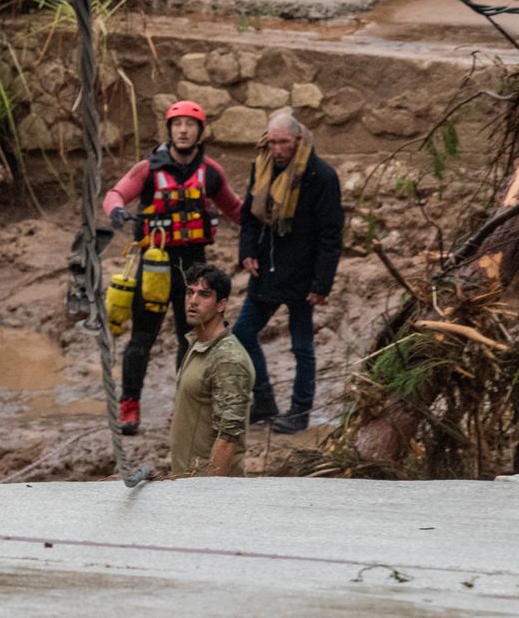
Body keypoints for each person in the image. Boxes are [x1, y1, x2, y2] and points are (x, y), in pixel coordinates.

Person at [101, 99, 245, 435]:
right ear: (169, 130)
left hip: (193, 269)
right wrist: (117, 211)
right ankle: (129, 407)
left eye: (189, 125)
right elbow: (115, 194)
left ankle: (183, 404)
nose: (183, 130)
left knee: (190, 338)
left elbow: (236, 210)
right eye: (177, 124)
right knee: (142, 338)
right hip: (154, 265)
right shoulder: (148, 169)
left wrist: (262, 234)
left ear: (199, 131)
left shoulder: (211, 172)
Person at [234, 112, 344, 434]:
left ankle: (300, 410)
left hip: (302, 273)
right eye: (272, 142)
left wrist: (322, 282)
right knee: (241, 334)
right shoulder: (261, 166)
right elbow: (249, 217)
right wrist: (247, 251)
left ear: (297, 140)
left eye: (283, 142)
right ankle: (264, 399)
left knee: (302, 346)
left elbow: (330, 234)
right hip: (266, 269)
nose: (277, 149)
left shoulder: (321, 175)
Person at [169, 266, 255, 476]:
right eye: (190, 292)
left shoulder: (228, 359)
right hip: (184, 484)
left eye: (204, 295)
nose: (193, 300)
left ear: (221, 304)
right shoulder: (197, 344)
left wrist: (209, 498)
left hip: (206, 491)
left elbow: (228, 438)